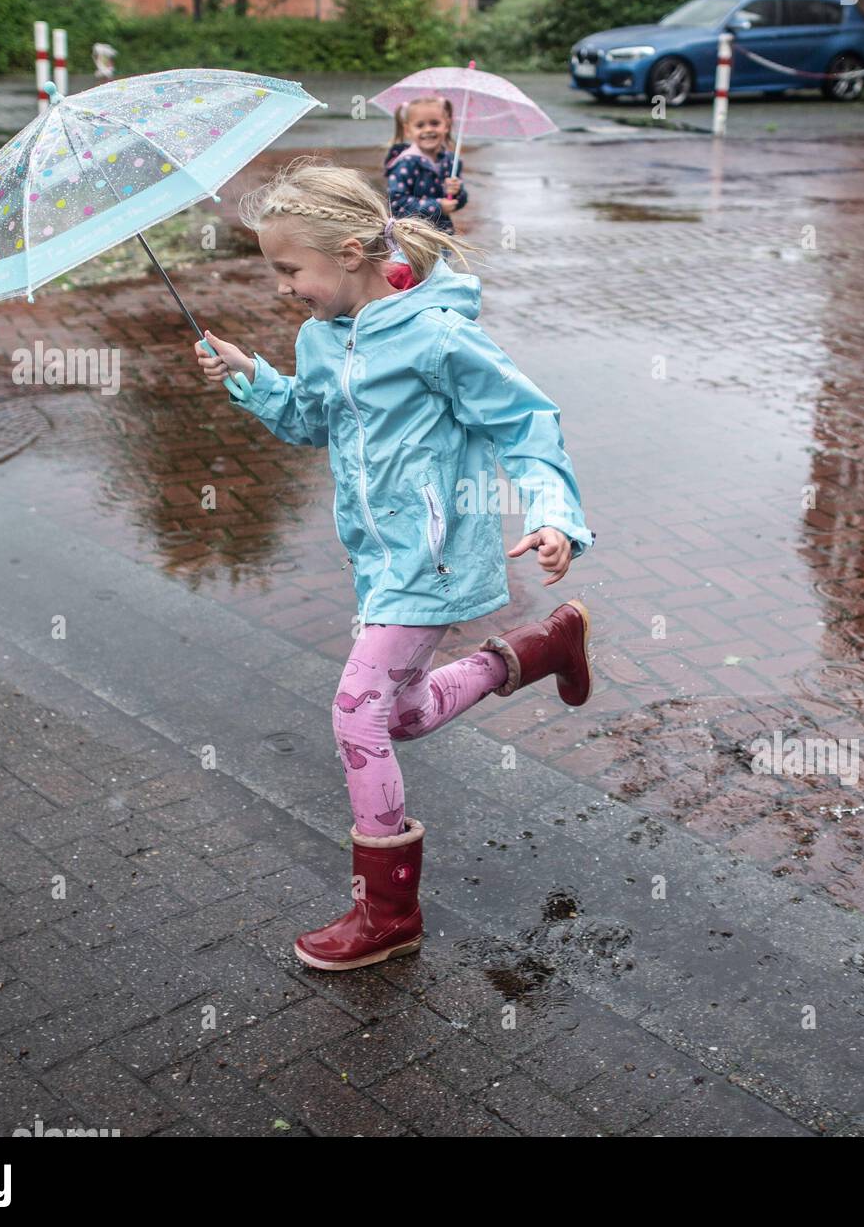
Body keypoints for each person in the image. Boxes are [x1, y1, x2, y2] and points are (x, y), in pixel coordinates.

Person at [194, 157, 596, 972]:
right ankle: (538, 649)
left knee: (356, 714)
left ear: (348, 253)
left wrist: (553, 515)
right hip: (378, 564)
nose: (282, 287)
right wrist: (251, 376)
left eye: (288, 269)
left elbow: (526, 421)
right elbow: (313, 422)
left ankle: (388, 914)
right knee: (403, 716)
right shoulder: (319, 335)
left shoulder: (439, 337)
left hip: (435, 561)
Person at [385, 97, 467, 236]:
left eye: (435, 123)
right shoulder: (406, 163)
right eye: (420, 125)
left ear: (446, 126)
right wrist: (438, 206)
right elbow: (396, 203)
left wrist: (456, 192)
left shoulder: (450, 161)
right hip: (412, 237)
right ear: (407, 130)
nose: (428, 129)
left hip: (441, 234)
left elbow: (458, 202)